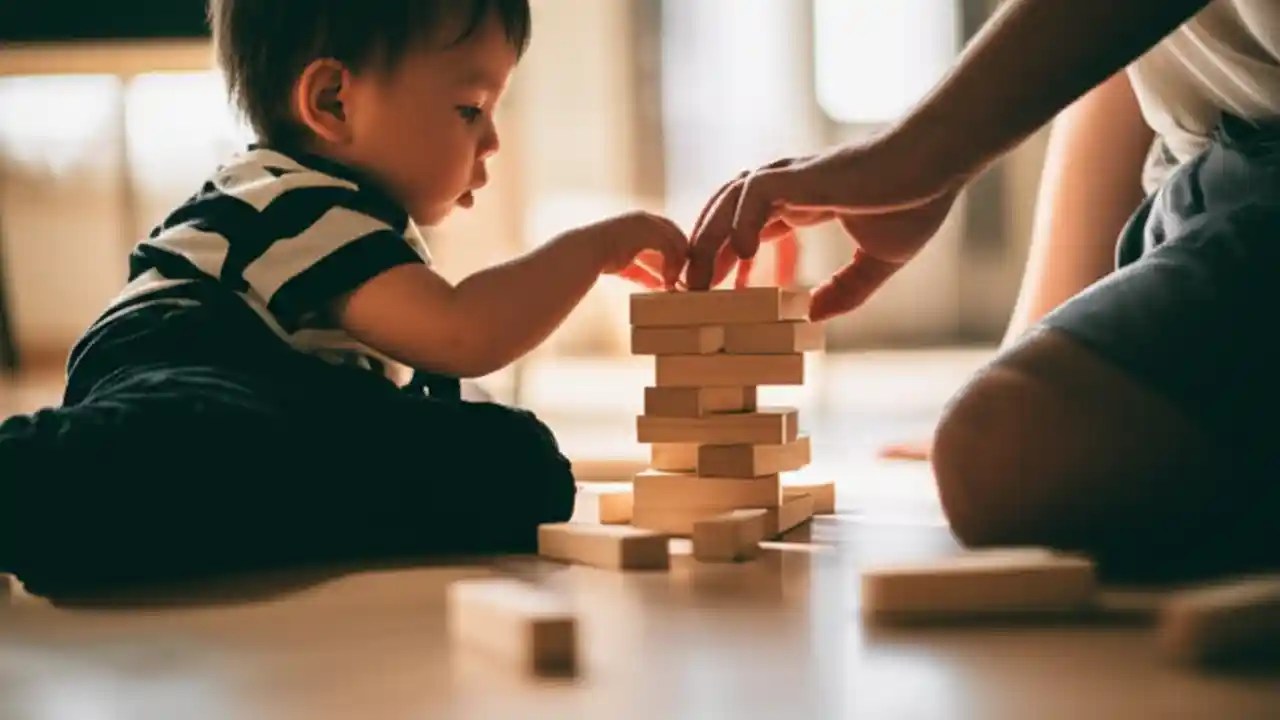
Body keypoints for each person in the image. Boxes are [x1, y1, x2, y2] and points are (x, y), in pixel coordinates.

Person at [0, 0, 687, 598]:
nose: (493, 139)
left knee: (516, 465)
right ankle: (33, 485)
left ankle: (168, 521)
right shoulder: (295, 200)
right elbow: (461, 333)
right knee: (219, 437)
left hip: (289, 402)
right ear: (332, 101)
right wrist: (590, 251)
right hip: (186, 357)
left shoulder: (354, 218)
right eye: (470, 109)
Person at [686, 0, 1280, 580]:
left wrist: (917, 155)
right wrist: (1032, 348)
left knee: (1006, 454)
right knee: (1018, 439)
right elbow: (1137, 50)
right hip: (1202, 182)